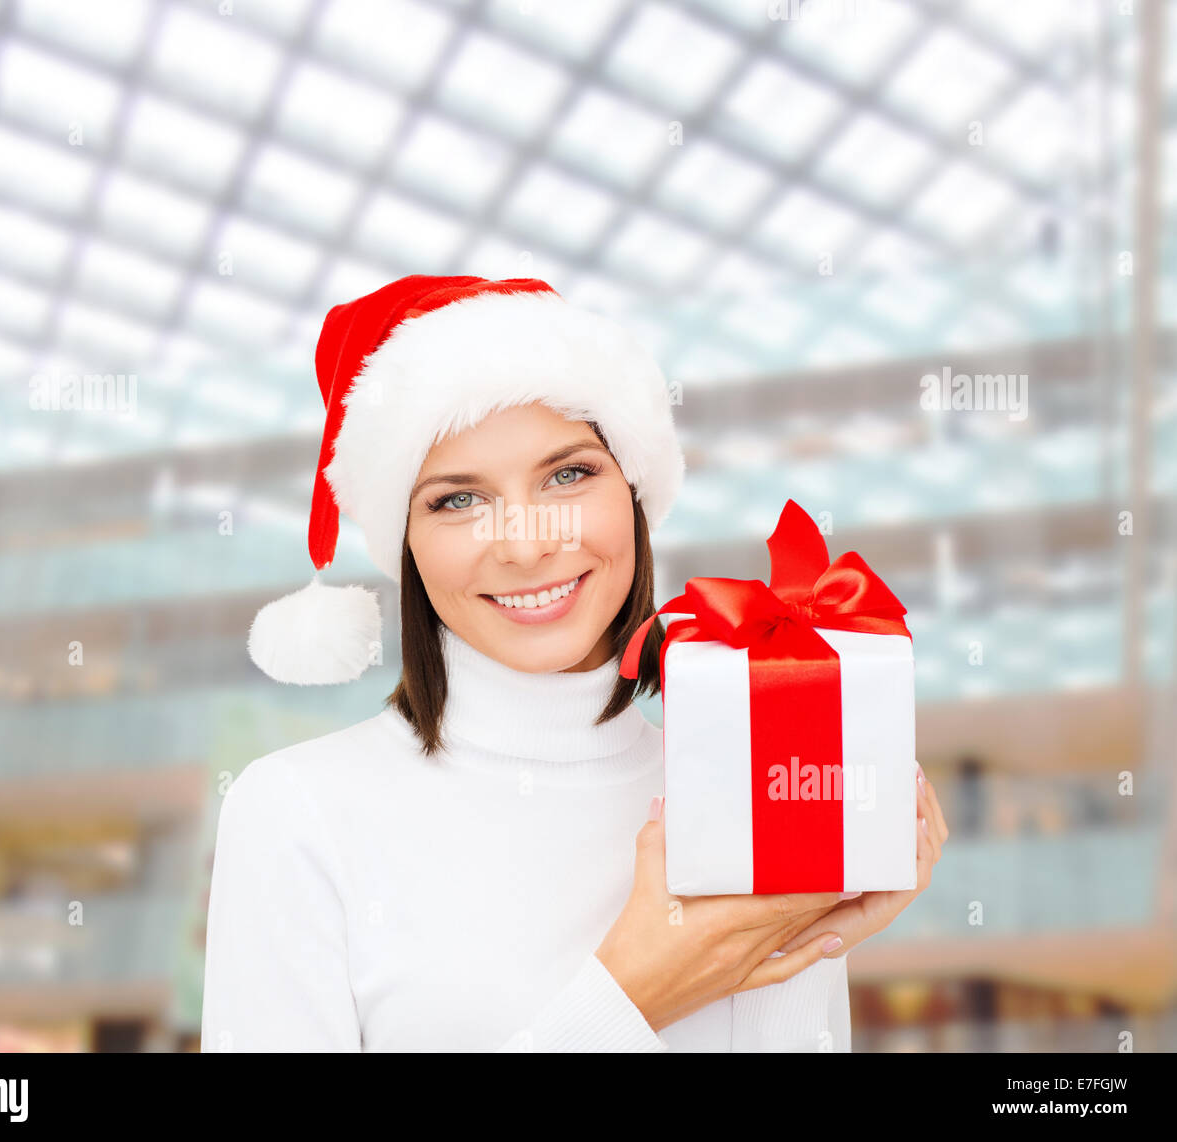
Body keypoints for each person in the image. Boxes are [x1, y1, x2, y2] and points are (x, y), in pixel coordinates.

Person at [200, 274, 949, 1052]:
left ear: (632, 490)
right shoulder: (297, 813)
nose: (526, 545)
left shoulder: (736, 777)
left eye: (568, 474)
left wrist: (803, 935)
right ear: (406, 543)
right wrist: (631, 997)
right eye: (457, 499)